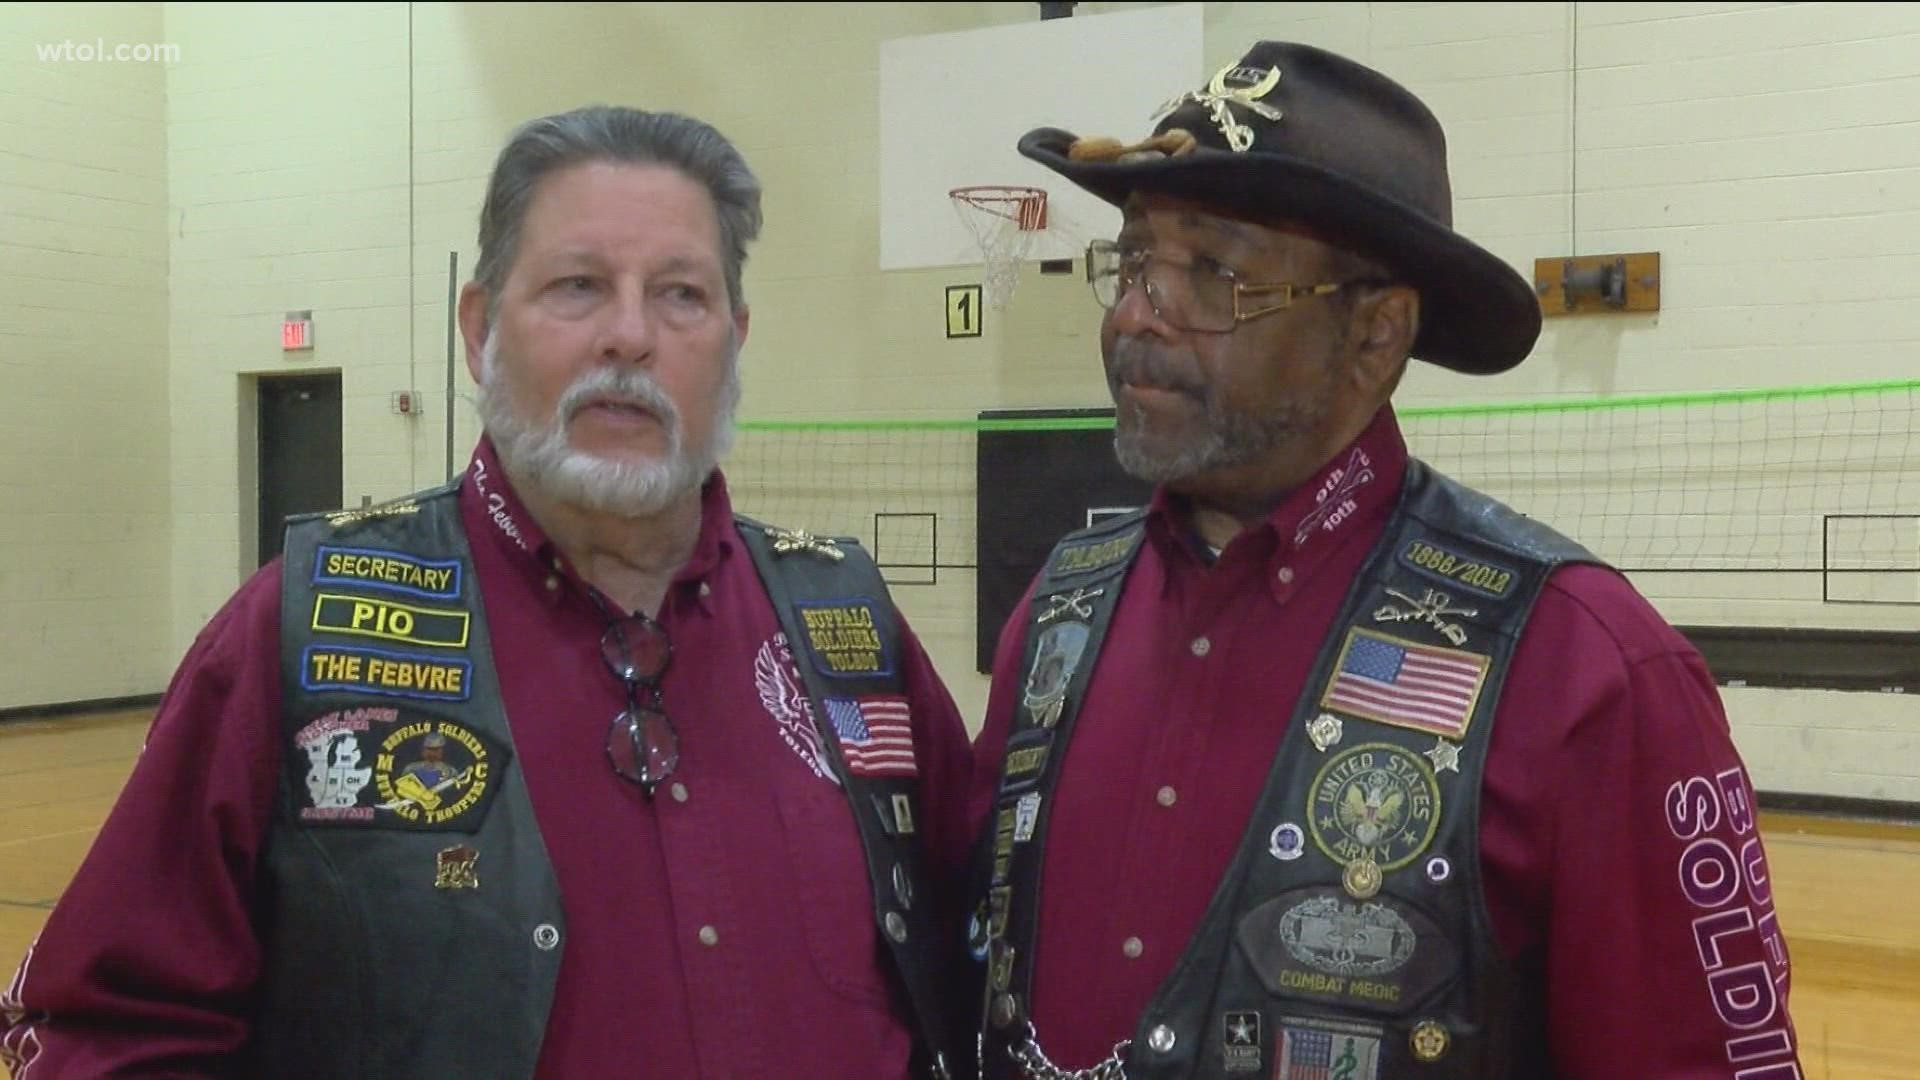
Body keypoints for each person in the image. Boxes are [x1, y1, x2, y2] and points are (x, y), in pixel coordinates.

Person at [1, 106, 973, 1079]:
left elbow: (988, 955)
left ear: (734, 339)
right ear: (478, 329)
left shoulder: (844, 625)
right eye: (578, 287)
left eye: (681, 295)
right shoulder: (297, 628)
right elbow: (110, 1031)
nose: (630, 338)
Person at [966, 42, 1802, 1080]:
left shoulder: (1585, 672)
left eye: (1214, 275)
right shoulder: (1057, 612)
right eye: (1134, 262)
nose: (1139, 314)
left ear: (1375, 334)